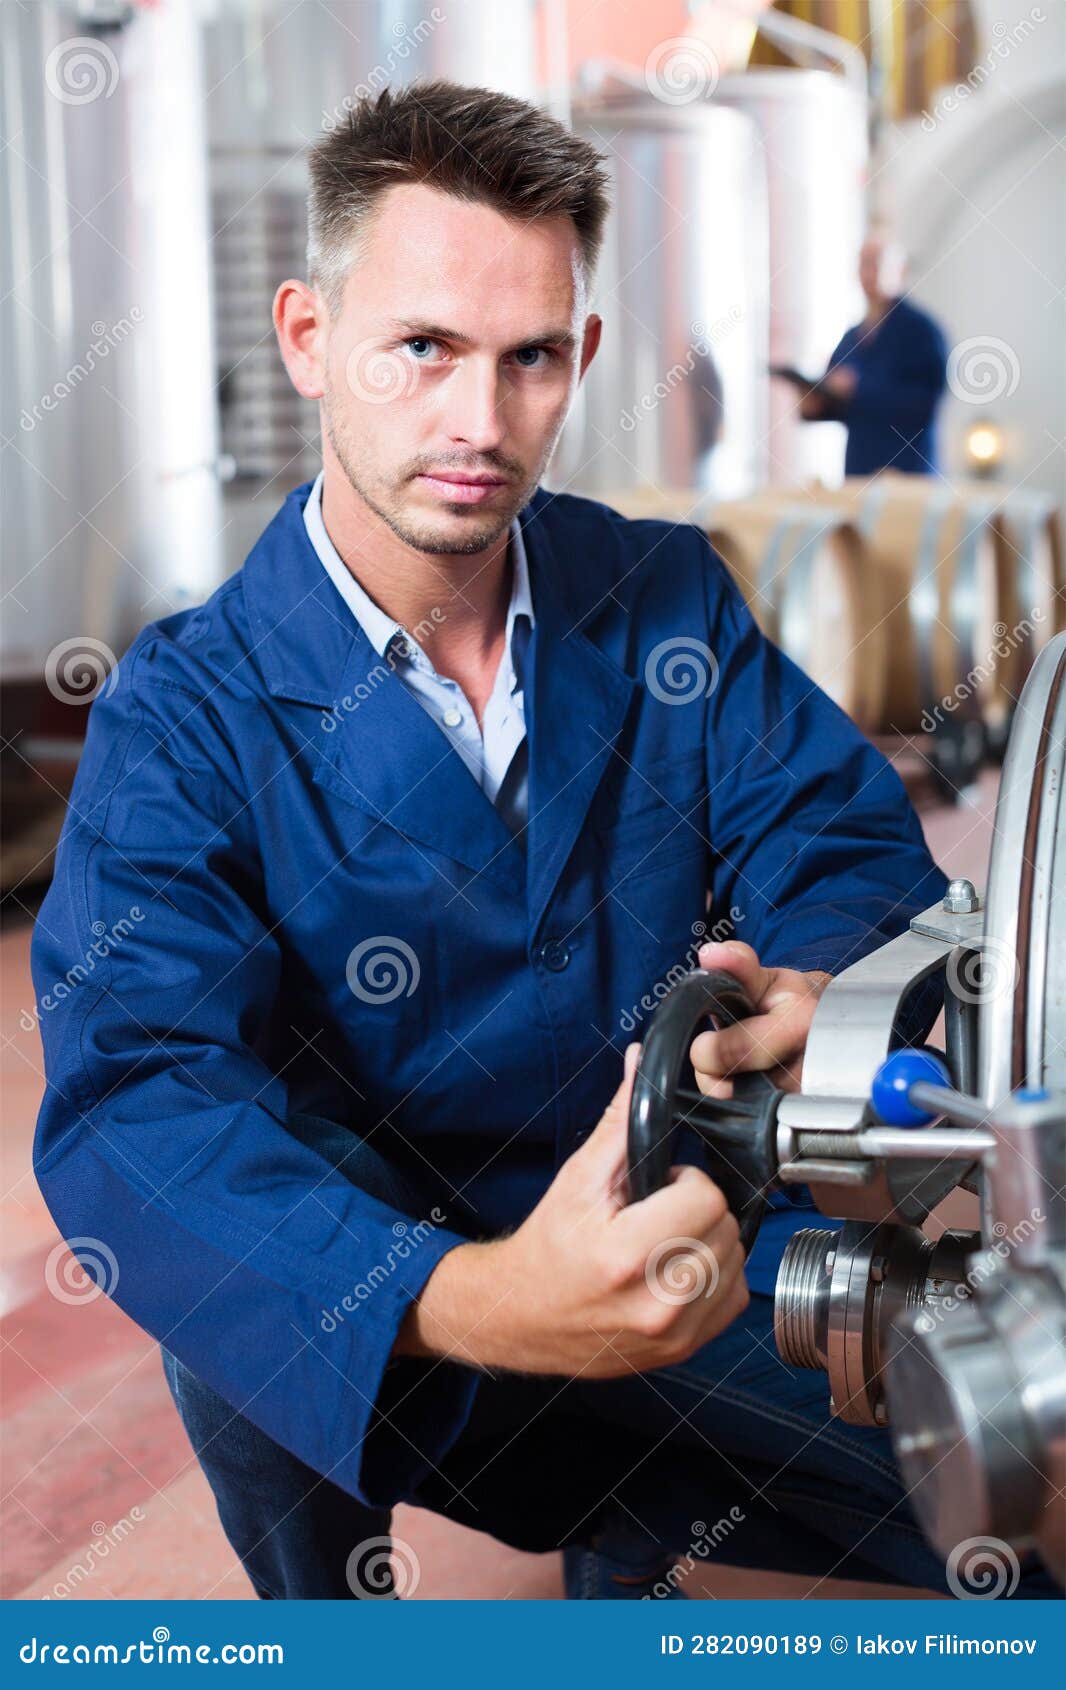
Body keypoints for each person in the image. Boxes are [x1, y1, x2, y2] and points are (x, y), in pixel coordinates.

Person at [33, 81, 1006, 1603]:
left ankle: (632, 1561)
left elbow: (832, 834)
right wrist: (476, 1293)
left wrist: (819, 979)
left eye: (528, 358)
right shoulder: (186, 707)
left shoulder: (663, 599)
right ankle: (327, 1618)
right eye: (419, 348)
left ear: (581, 357)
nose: (478, 424)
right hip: (397, 1310)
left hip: (689, 1251)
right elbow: (141, 1102)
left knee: (1001, 1510)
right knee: (235, 1280)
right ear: (307, 338)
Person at [798, 234, 948, 476]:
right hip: (860, 468)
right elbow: (839, 407)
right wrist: (814, 404)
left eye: (875, 263)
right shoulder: (851, 337)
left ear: (900, 269)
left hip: (907, 472)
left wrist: (859, 388)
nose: (868, 273)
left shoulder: (922, 330)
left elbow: (925, 403)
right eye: (862, 263)